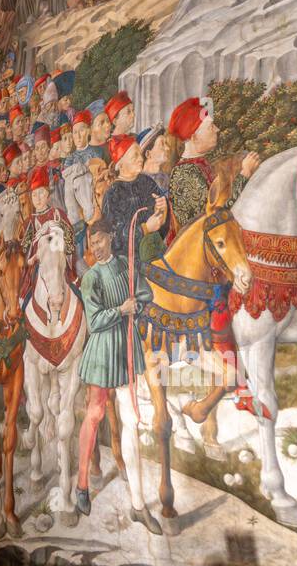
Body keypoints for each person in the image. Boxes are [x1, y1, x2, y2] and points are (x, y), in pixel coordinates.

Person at [75, 221, 160, 534]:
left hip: (126, 345)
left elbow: (145, 293)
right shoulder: (90, 277)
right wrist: (122, 310)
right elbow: (95, 320)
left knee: (131, 421)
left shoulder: (126, 263)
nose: (95, 248)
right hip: (102, 348)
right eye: (91, 244)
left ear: (110, 238)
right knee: (95, 413)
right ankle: (82, 483)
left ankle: (138, 505)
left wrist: (137, 302)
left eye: (99, 241)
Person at [167, 96, 259, 230]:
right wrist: (245, 173)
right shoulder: (184, 173)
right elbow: (213, 217)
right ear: (194, 137)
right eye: (211, 127)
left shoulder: (201, 163)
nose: (217, 129)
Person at [101, 134, 169, 263]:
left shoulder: (147, 182)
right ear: (120, 165)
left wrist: (162, 210)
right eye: (135, 156)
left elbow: (162, 226)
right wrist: (145, 228)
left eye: (140, 154)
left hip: (155, 252)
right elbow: (114, 238)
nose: (140, 159)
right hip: (129, 263)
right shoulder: (113, 193)